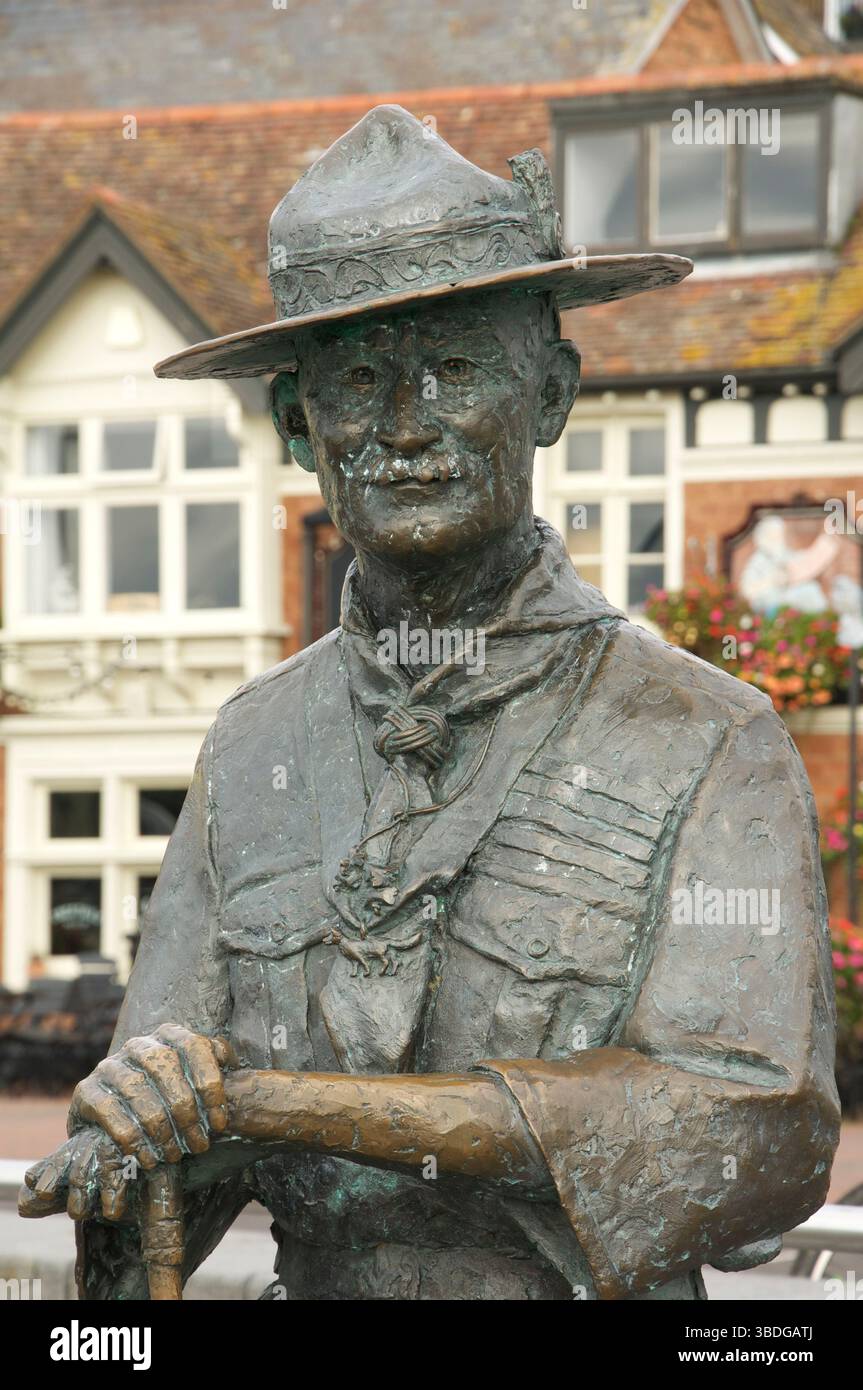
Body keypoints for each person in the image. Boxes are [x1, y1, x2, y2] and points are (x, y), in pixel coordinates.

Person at [20, 106, 839, 1301]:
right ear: (300, 424)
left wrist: (277, 1104)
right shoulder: (252, 748)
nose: (406, 426)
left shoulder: (703, 737)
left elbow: (755, 1134)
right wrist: (120, 1146)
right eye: (357, 381)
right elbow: (151, 1180)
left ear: (549, 393)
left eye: (455, 368)